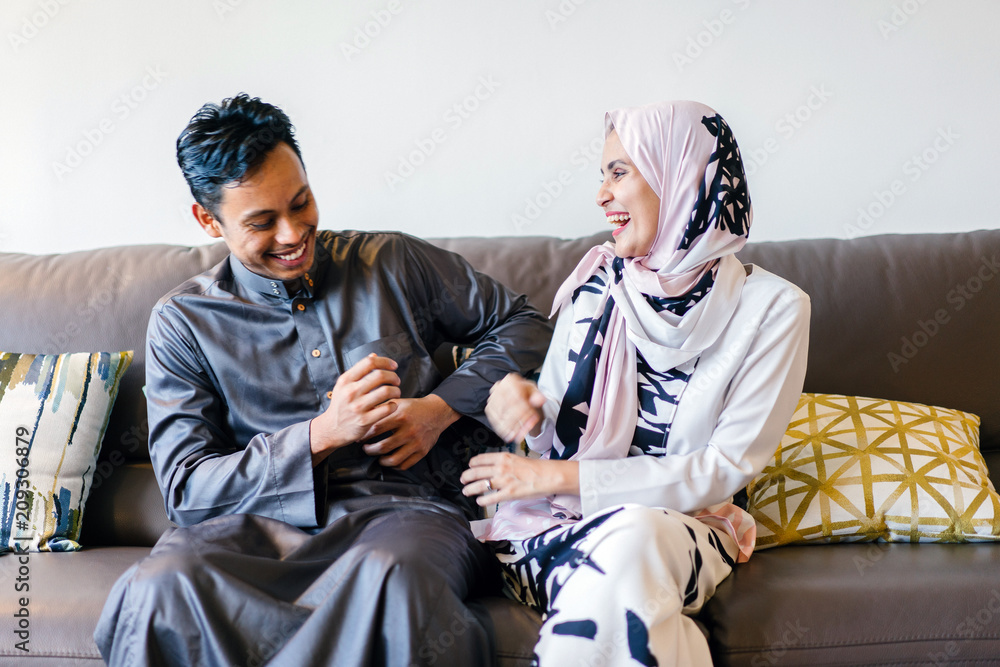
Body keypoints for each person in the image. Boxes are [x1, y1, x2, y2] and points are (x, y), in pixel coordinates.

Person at [94, 93, 552, 667]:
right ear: (207, 220)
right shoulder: (182, 322)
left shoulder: (391, 262)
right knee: (158, 589)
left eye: (301, 202)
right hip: (249, 531)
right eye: (261, 222)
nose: (292, 234)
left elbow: (527, 325)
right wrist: (323, 434)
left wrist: (437, 409)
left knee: (392, 582)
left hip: (403, 517)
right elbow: (187, 491)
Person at [460, 100, 810, 666]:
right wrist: (523, 406)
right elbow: (549, 430)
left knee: (634, 539)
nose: (601, 195)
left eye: (619, 172)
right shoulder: (596, 285)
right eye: (601, 175)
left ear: (683, 179)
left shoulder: (774, 309)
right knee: (635, 588)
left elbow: (724, 468)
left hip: (683, 531)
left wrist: (559, 473)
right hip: (554, 530)